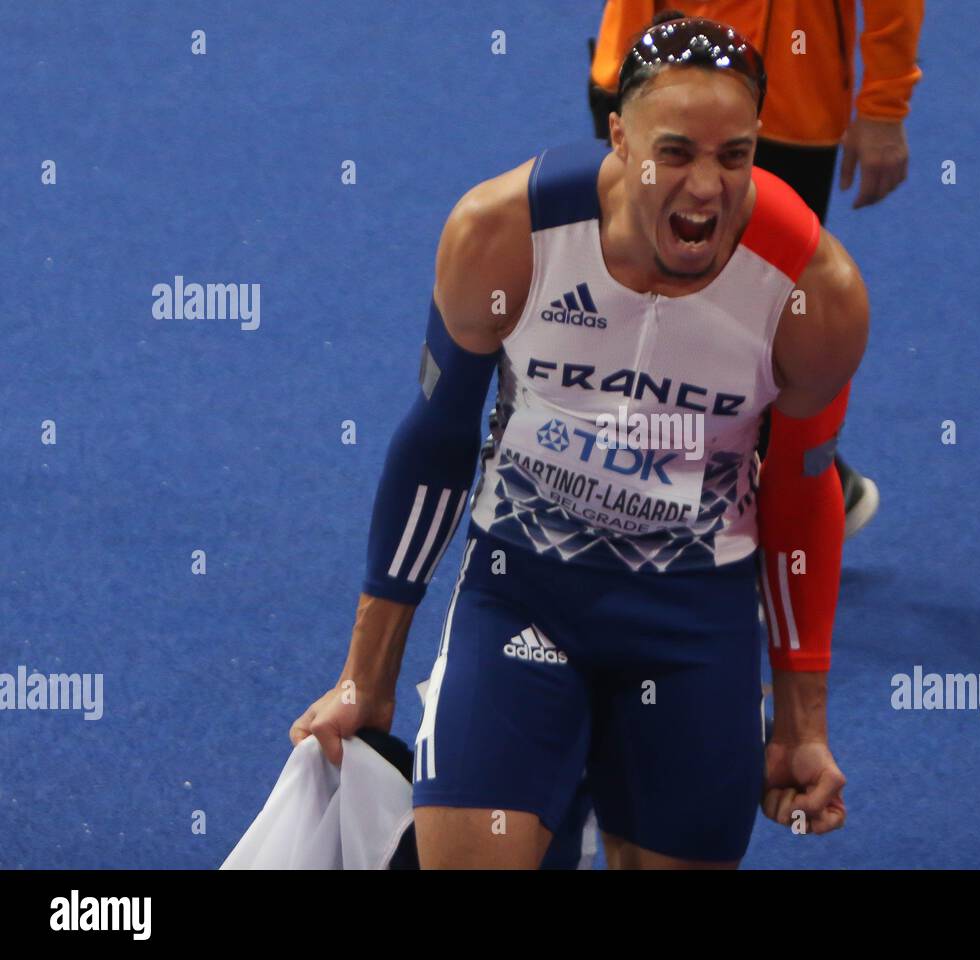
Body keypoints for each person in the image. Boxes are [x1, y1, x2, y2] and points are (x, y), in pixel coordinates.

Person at [291, 15, 868, 866]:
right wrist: (367, 676)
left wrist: (802, 722)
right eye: (675, 154)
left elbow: (800, 489)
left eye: (735, 156)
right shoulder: (503, 236)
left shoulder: (814, 295)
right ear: (619, 136)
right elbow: (438, 443)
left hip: (692, 622)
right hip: (520, 597)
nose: (707, 188)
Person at [589, 0, 925, 538]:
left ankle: (795, 507)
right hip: (653, 70)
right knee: (648, 293)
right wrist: (624, 62)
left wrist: (885, 104)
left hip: (787, 101)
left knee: (752, 328)